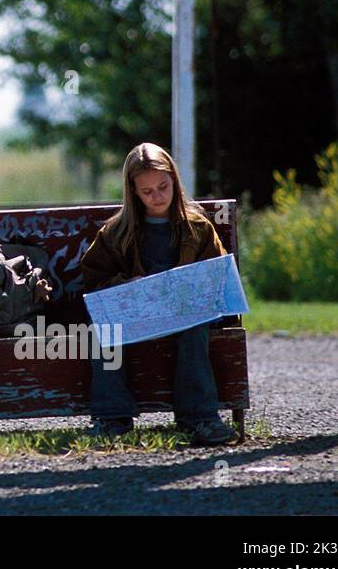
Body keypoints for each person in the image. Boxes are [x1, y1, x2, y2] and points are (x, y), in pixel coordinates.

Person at [80, 142, 239, 446]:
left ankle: (200, 419)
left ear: (174, 182)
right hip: (136, 315)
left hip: (187, 313)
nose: (157, 197)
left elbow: (218, 276)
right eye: (147, 191)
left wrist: (193, 289)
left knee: (195, 324)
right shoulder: (117, 233)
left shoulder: (197, 227)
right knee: (101, 329)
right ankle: (112, 418)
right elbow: (94, 280)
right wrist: (128, 285)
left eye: (163, 187)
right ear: (134, 193)